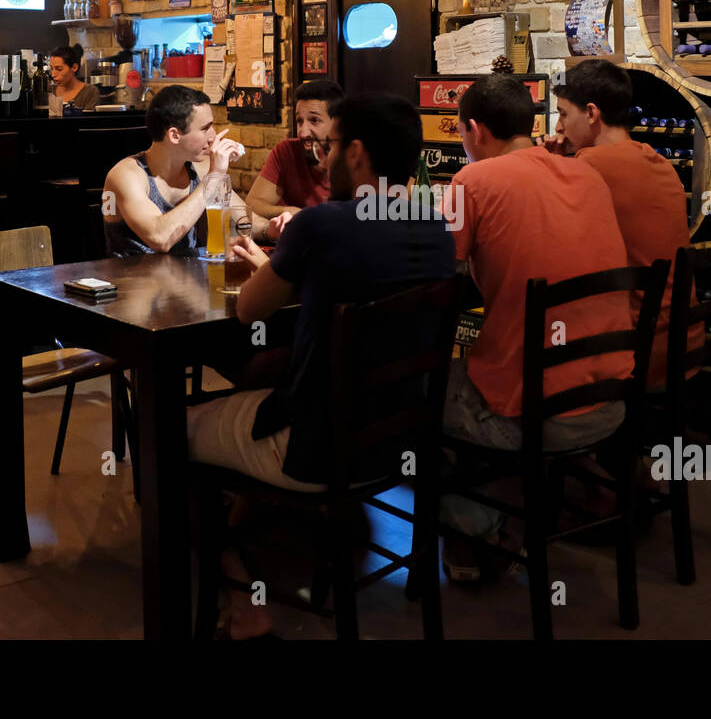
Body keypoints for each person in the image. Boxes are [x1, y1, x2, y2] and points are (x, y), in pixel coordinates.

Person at [189, 93, 456, 637]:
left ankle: (239, 592)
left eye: (331, 146)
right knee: (268, 378)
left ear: (356, 153)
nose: (324, 158)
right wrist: (284, 267)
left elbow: (247, 311)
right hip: (398, 440)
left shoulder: (321, 226)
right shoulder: (436, 229)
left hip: (315, 448)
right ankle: (247, 522)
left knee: (168, 422)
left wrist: (269, 266)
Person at [439, 73, 634, 582]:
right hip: (610, 400)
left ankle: (474, 543)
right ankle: (522, 507)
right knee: (486, 362)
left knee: (422, 393)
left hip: (540, 416)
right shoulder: (586, 174)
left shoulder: (471, 181)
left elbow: (442, 280)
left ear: (474, 130)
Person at [551, 59, 705, 391]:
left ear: (591, 113)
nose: (559, 127)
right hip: (683, 343)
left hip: (633, 351)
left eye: (564, 113)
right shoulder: (659, 161)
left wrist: (549, 164)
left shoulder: (586, 167)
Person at [102, 84, 275, 257]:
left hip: (186, 279)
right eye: (205, 128)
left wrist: (272, 229)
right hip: (133, 281)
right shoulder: (126, 175)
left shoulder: (200, 168)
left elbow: (242, 218)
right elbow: (160, 238)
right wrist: (214, 176)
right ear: (174, 135)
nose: (213, 136)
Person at [244, 79, 343, 218]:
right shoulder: (287, 151)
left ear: (336, 123)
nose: (303, 132)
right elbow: (252, 205)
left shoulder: (353, 158)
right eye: (300, 121)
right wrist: (288, 212)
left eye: (314, 120)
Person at [48, 43, 97, 115]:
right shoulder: (49, 91)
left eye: (59, 69)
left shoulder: (89, 92)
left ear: (74, 67)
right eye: (52, 69)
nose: (53, 74)